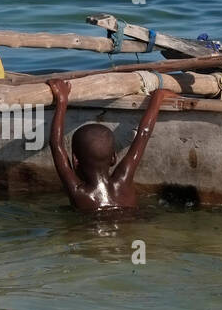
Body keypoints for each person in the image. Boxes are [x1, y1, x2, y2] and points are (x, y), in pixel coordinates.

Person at [45, 79, 176, 212]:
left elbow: (56, 144)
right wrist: (158, 97)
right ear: (113, 157)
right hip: (129, 223)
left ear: (75, 160)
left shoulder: (78, 191)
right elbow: (143, 134)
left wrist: (62, 100)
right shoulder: (123, 179)